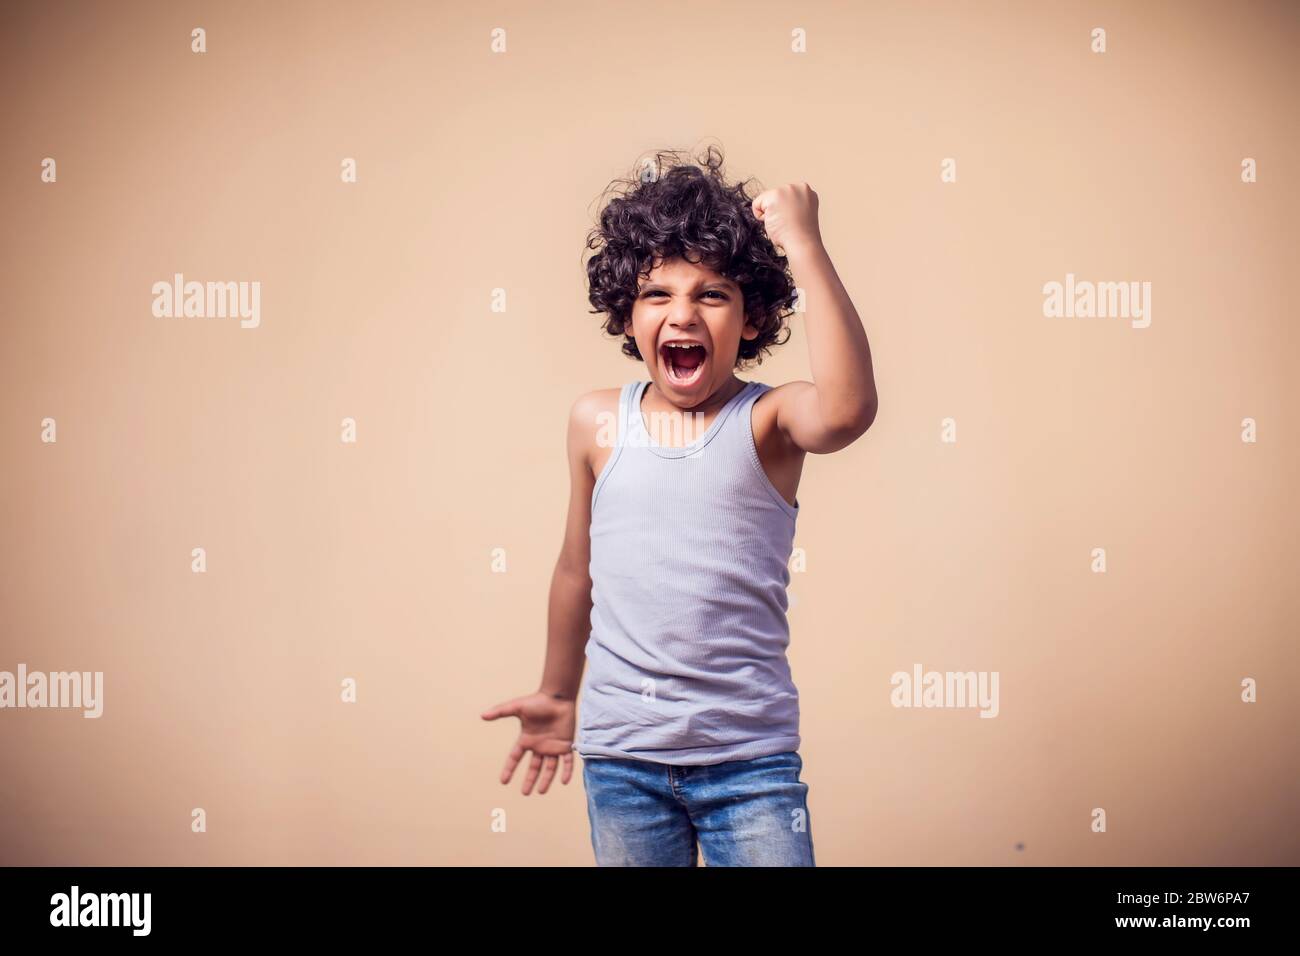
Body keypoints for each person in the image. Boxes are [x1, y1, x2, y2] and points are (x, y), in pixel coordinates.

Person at [482, 145, 878, 866]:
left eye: (712, 295)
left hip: (750, 763)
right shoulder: (596, 422)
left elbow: (848, 411)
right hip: (622, 758)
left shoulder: (769, 422)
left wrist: (805, 244)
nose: (681, 313)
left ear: (752, 318)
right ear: (627, 315)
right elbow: (578, 569)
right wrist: (557, 692)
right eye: (657, 294)